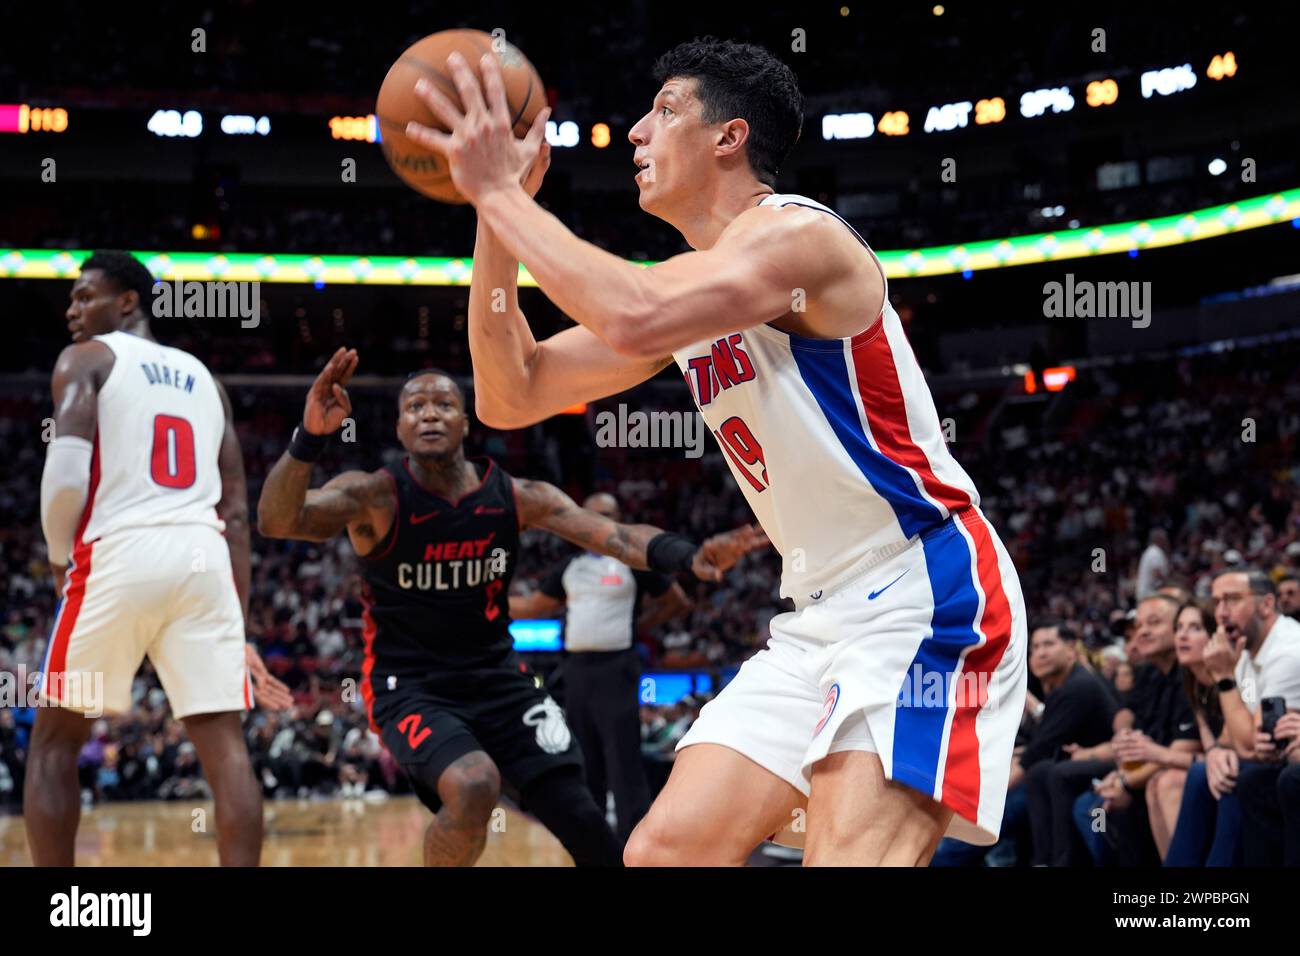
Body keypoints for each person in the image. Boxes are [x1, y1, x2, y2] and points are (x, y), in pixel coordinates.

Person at [415, 35, 1027, 866]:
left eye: (664, 111)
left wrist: (503, 195)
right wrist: (497, 214)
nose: (636, 131)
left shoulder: (798, 240)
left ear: (728, 137)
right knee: (661, 853)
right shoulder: (691, 288)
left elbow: (632, 314)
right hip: (817, 615)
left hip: (926, 591)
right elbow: (510, 392)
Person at [256, 353, 764, 866]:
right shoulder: (374, 496)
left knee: (584, 818)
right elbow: (277, 521)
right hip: (410, 686)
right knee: (475, 784)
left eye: (443, 404)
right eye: (415, 406)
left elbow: (615, 538)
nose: (429, 414)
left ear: (465, 422)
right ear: (399, 426)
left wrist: (689, 554)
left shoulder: (515, 497)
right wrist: (308, 436)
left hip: (499, 680)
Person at [28, 251, 287, 867]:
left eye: (84, 295)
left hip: (120, 551)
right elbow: (238, 513)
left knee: (56, 742)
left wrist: (62, 555)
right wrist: (238, 627)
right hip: (202, 559)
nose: (71, 309)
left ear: (127, 302)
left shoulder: (86, 358)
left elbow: (65, 475)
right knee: (225, 747)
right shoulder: (206, 379)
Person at [511, 492, 691, 845]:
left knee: (623, 759)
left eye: (607, 514)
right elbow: (534, 606)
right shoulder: (570, 567)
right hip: (576, 668)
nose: (598, 521)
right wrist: (482, 599)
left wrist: (639, 628)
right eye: (591, 515)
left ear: (619, 517)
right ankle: (592, 843)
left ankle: (634, 844)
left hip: (617, 666)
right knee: (584, 757)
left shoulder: (635, 563)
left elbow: (678, 601)